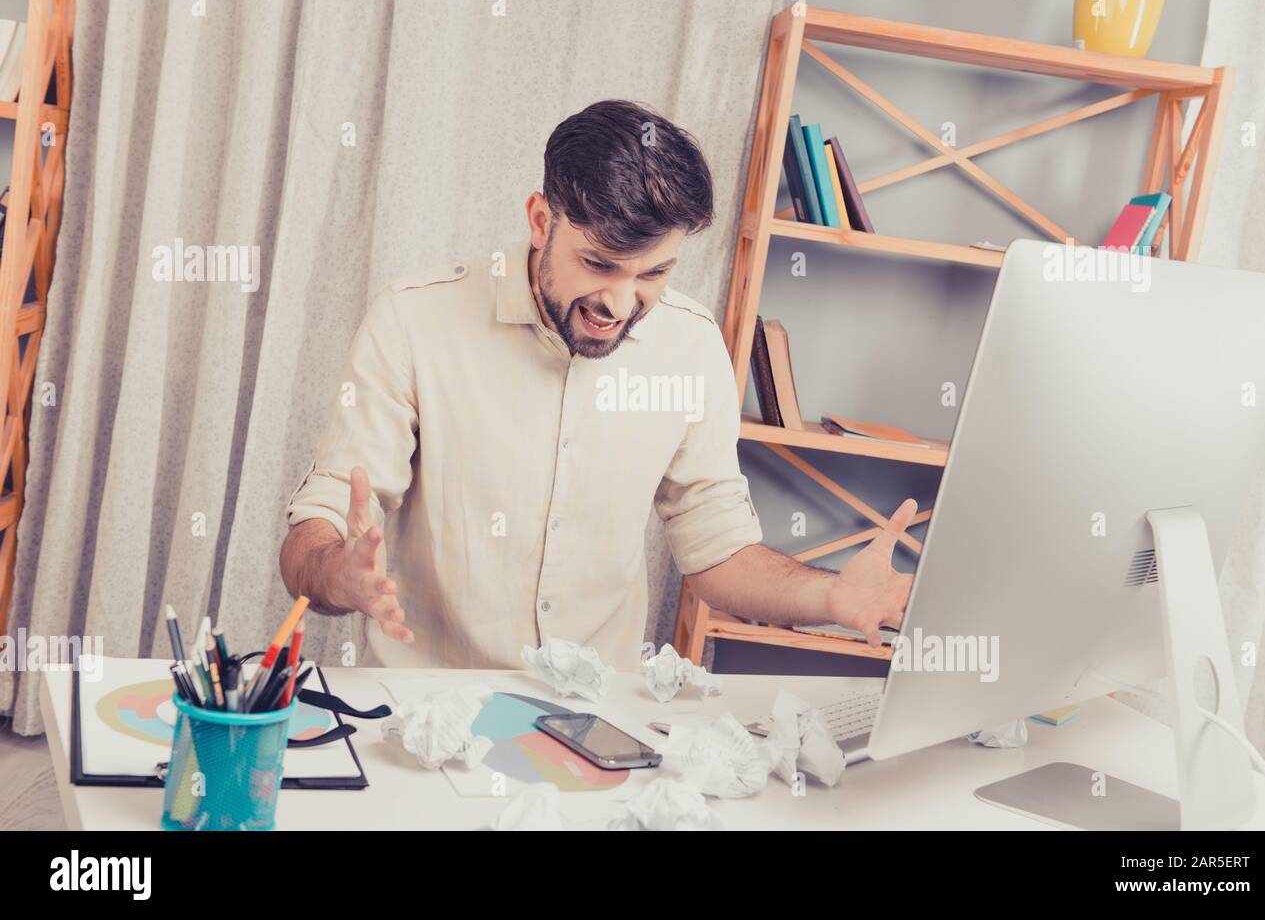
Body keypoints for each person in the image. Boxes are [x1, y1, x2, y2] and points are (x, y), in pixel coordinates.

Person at [280, 99, 917, 670]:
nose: (619, 301)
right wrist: (341, 575)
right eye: (598, 264)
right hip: (426, 717)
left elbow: (718, 551)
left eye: (653, 273)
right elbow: (315, 531)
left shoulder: (691, 347)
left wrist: (831, 594)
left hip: (596, 727)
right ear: (539, 220)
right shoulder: (415, 319)